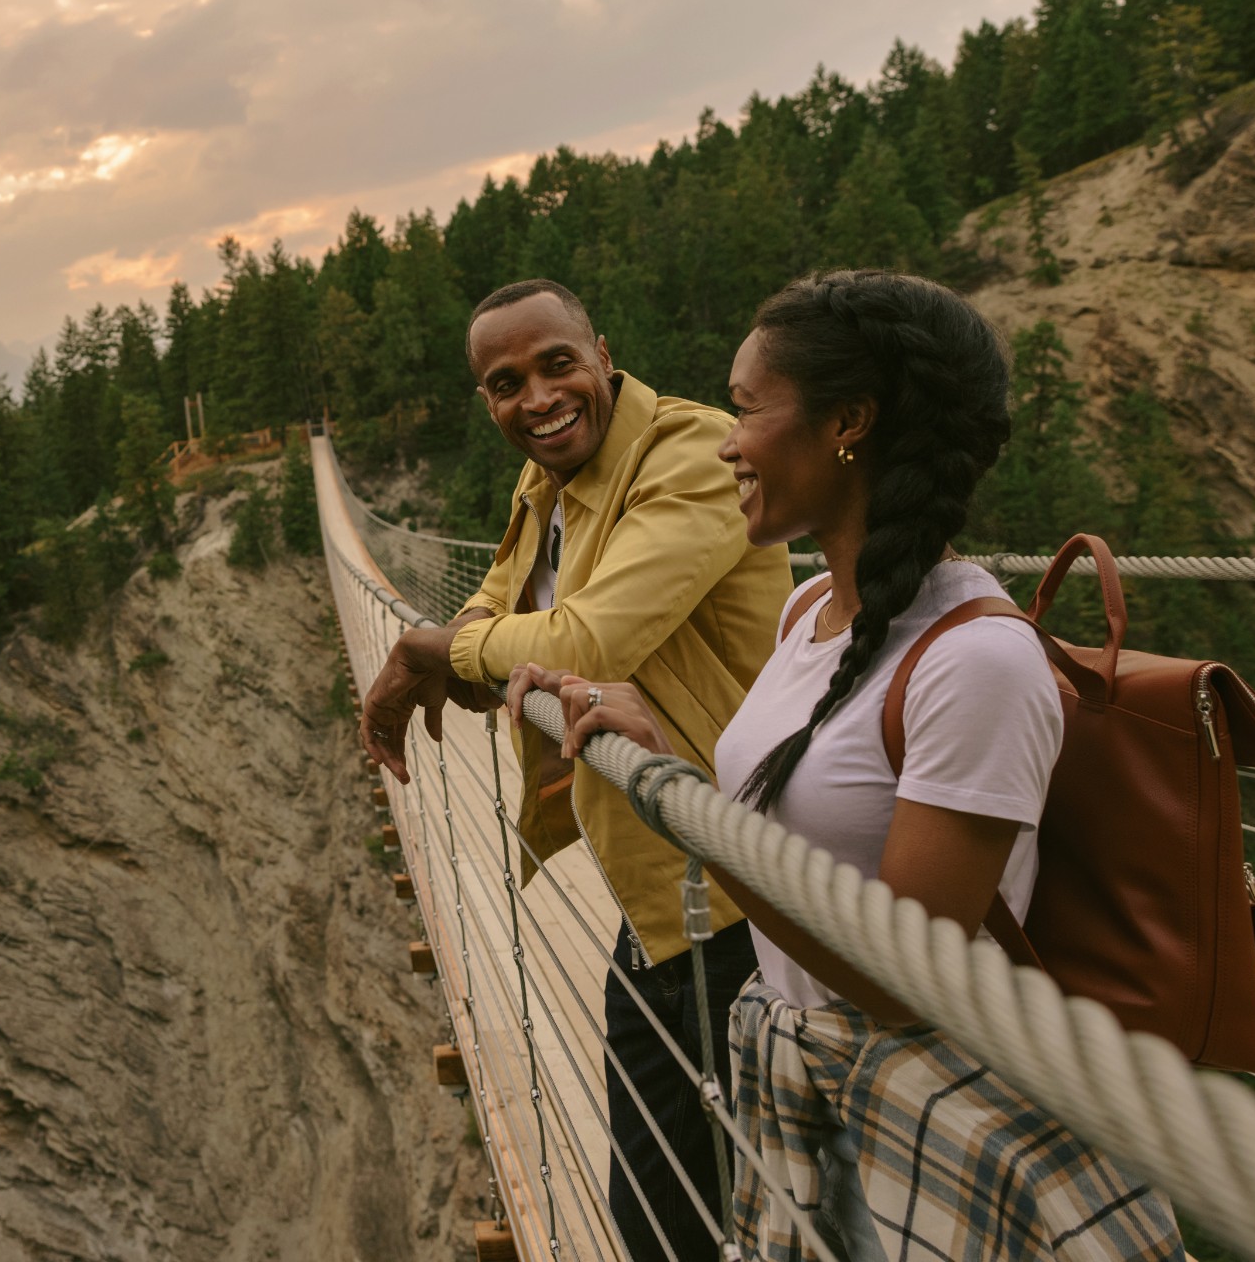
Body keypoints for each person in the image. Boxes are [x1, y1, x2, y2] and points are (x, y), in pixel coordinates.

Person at [535, 270, 1182, 1261]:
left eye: (747, 409)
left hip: (925, 1123)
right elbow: (785, 806)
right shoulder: (810, 616)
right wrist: (661, 741)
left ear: (849, 422)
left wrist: (688, 809)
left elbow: (896, 982)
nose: (725, 442)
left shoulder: (976, 661)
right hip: (805, 1097)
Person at [359, 279, 790, 1262]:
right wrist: (455, 640)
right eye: (506, 382)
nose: (539, 396)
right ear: (486, 400)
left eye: (557, 363)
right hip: (659, 894)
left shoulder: (691, 454)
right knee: (657, 1205)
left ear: (602, 352)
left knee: (770, 1209)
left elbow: (586, 636)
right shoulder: (550, 478)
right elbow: (499, 603)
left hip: (743, 890)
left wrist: (436, 650)